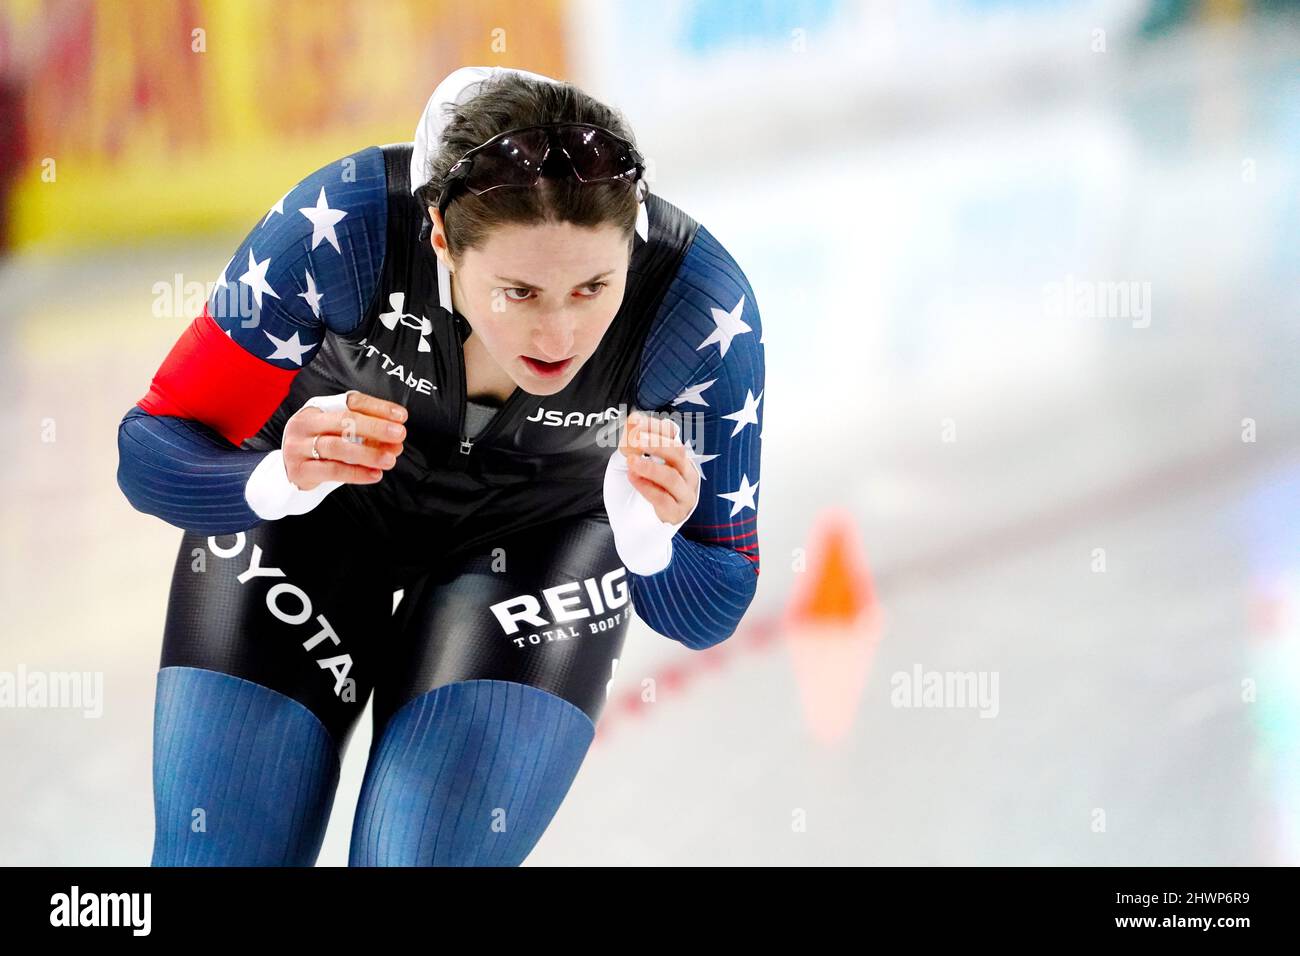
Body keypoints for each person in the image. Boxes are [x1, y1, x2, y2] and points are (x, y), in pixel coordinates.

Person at [116, 65, 764, 866]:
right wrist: (273, 479)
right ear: (440, 243)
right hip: (320, 513)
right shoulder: (348, 230)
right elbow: (148, 452)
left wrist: (647, 543)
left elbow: (711, 610)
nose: (559, 335)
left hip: (542, 539)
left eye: (594, 287)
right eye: (519, 292)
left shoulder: (695, 310)